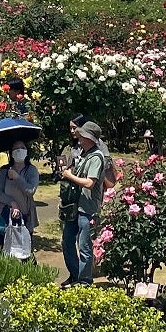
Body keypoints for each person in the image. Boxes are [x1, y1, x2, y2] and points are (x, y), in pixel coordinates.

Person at [56, 121, 110, 284]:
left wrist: (69, 176)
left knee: (84, 246)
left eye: (83, 135)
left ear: (91, 139)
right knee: (67, 241)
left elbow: (89, 183)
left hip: (87, 208)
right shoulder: (85, 155)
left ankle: (85, 281)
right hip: (75, 206)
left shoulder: (96, 157)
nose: (79, 138)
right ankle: (76, 275)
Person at [0, 141, 40, 259]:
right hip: (5, 214)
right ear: (11, 153)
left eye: (22, 147)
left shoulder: (31, 170)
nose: (19, 150)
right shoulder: (4, 170)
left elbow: (30, 191)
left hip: (25, 214)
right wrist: (12, 202)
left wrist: (17, 178)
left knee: (24, 250)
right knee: (1, 248)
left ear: (27, 151)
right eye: (16, 148)